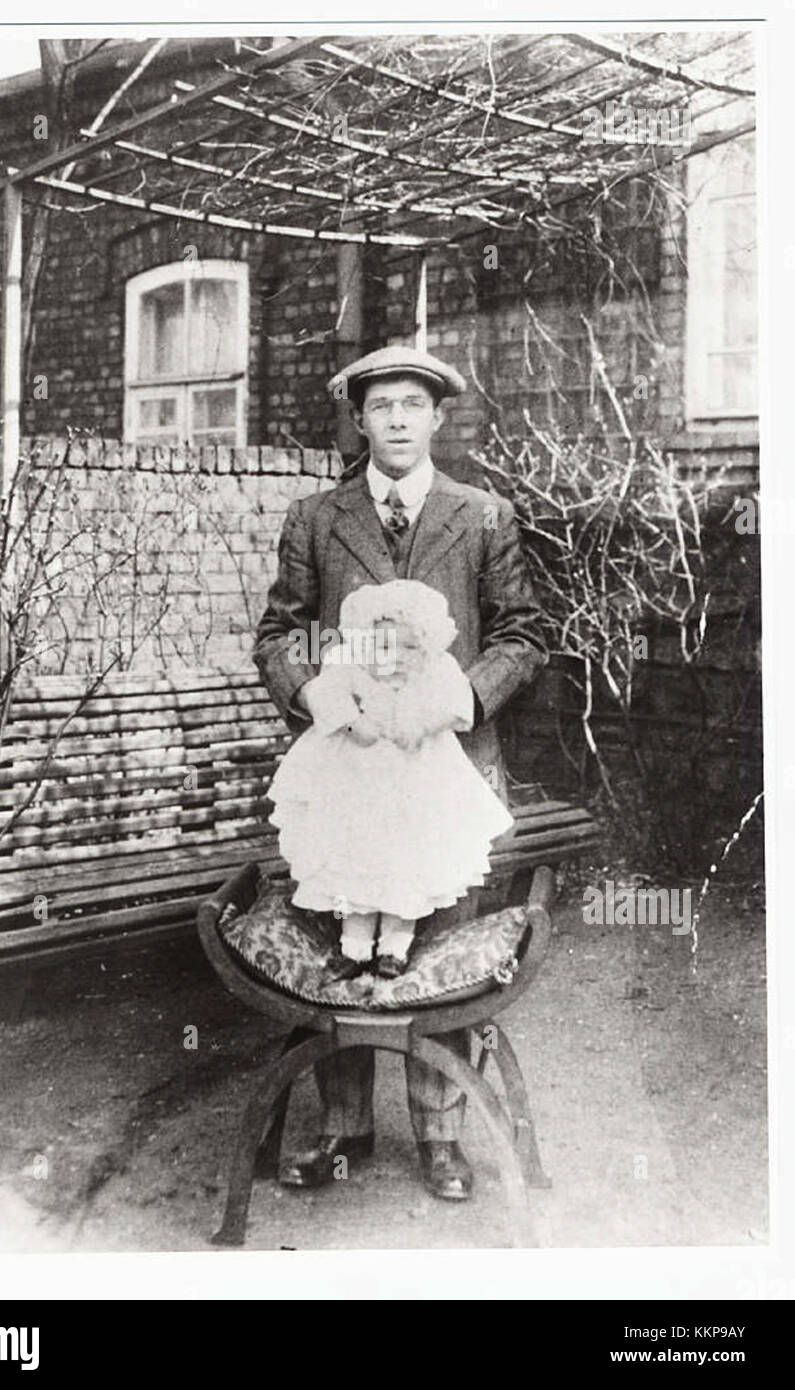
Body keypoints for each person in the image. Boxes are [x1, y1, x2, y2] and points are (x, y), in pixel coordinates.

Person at [254, 345, 547, 1202]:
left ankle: (442, 1136)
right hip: (349, 771)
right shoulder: (315, 518)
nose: (395, 421)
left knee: (441, 944)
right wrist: (320, 697)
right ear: (358, 419)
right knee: (345, 943)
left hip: (446, 772)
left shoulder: (482, 515)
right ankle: (342, 1127)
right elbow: (280, 635)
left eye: (411, 407)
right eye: (379, 406)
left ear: (436, 418)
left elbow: (522, 635)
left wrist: (458, 701)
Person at [266, 578, 514, 980]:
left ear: (428, 647)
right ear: (364, 643)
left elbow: (459, 704)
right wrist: (352, 723)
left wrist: (424, 722)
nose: (395, 658)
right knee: (357, 864)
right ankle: (355, 947)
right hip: (358, 789)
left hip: (414, 794)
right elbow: (326, 695)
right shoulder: (349, 667)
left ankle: (394, 949)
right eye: (383, 647)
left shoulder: (435, 672)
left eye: (409, 647)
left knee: (407, 865)